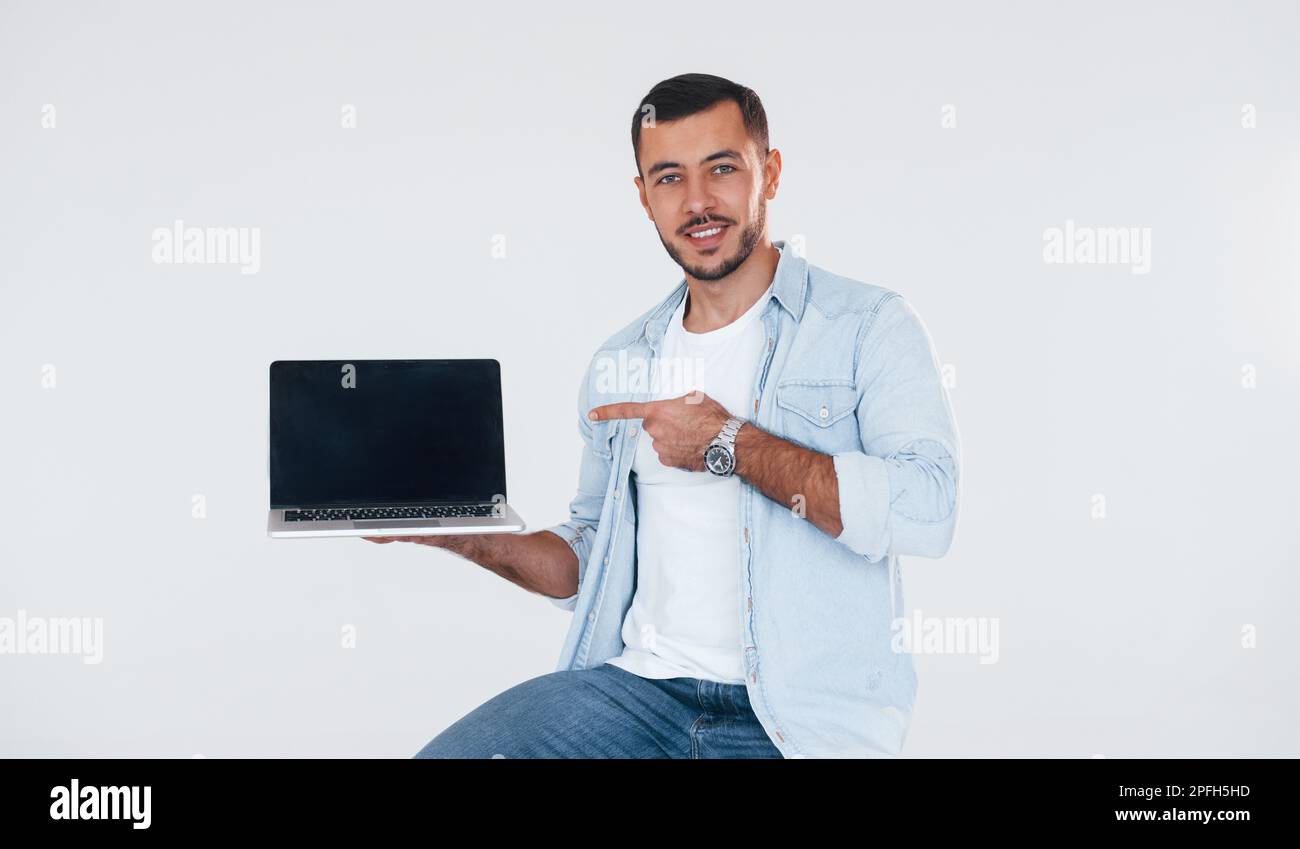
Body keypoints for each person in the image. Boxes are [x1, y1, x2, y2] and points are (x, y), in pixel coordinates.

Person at [368, 72, 961, 758]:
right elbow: (588, 559)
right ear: (643, 196)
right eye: (670, 177)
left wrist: (728, 442)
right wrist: (454, 532)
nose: (699, 201)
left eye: (722, 168)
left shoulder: (867, 326)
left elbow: (929, 506)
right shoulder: (622, 361)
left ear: (768, 172)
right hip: (636, 695)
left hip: (797, 719)